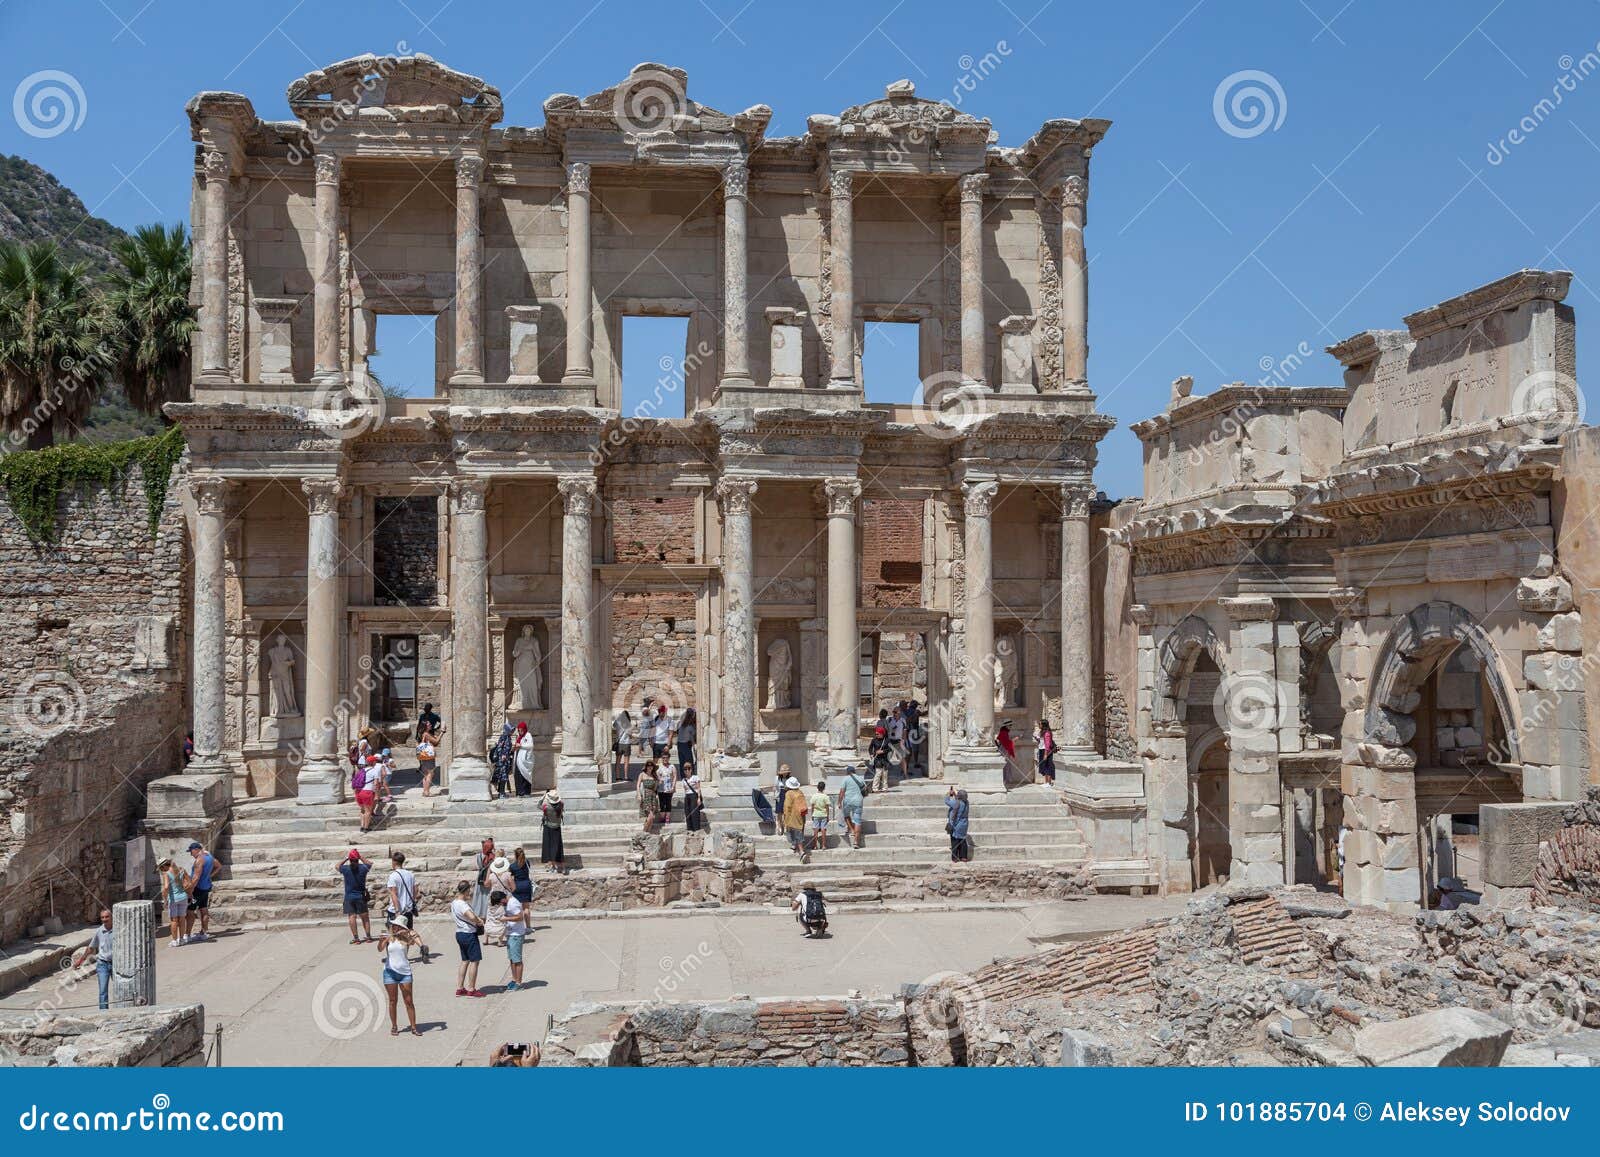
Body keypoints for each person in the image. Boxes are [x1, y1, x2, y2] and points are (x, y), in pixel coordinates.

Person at [378, 918, 422, 1035]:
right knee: (393, 1001)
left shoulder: (405, 938)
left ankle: (413, 1027)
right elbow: (380, 949)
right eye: (395, 925)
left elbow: (414, 940)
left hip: (405, 972)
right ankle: (394, 1026)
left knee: (409, 1001)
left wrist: (407, 933)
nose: (396, 927)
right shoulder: (388, 936)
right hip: (389, 972)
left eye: (399, 926)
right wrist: (383, 939)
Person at [385, 852, 426, 962]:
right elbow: (415, 891)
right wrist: (409, 902)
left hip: (396, 910)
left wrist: (397, 910)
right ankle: (414, 950)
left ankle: (394, 957)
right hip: (408, 909)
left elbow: (394, 894)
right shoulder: (410, 874)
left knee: (393, 933)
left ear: (394, 862)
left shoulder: (393, 876)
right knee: (408, 931)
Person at [450, 881, 486, 997]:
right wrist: (478, 921)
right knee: (475, 961)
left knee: (465, 960)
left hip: (459, 933)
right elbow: (470, 916)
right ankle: (471, 989)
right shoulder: (462, 904)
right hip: (469, 934)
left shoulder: (454, 903)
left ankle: (460, 988)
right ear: (465, 891)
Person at [75, 908, 115, 1009]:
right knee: (103, 991)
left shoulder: (119, 930)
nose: (105, 919)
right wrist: (80, 961)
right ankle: (103, 1013)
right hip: (103, 964)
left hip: (117, 964)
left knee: (121, 988)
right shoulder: (99, 931)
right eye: (102, 917)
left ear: (111, 917)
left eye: (107, 917)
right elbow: (91, 947)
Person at [338, 849, 374, 943]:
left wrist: (346, 858)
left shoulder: (345, 869)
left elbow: (337, 866)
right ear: (358, 859)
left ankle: (356, 938)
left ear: (350, 860)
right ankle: (368, 937)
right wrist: (360, 856)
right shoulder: (363, 868)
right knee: (365, 917)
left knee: (352, 917)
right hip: (360, 896)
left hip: (349, 897)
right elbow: (370, 863)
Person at [187, 840, 219, 940]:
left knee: (190, 911)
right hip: (206, 887)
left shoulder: (200, 860)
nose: (191, 854)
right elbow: (218, 866)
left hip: (198, 889)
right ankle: (204, 932)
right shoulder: (209, 857)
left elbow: (196, 877)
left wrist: (190, 891)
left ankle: (187, 934)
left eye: (191, 852)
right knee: (204, 909)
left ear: (196, 850)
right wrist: (209, 876)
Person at [498, 888, 529, 990]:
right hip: (510, 933)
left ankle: (519, 983)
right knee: (512, 959)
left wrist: (506, 918)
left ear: (503, 899)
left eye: (499, 903)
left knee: (517, 960)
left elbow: (520, 917)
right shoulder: (507, 903)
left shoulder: (513, 903)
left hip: (516, 934)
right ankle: (514, 980)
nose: (500, 905)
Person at [158, 857, 190, 947]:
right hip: (183, 897)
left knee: (174, 920)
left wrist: (165, 899)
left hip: (173, 899)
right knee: (182, 919)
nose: (161, 870)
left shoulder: (166, 873)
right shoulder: (181, 869)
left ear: (164, 866)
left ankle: (175, 941)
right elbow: (189, 882)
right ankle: (182, 939)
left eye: (160, 868)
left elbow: (166, 887)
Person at [837, 764, 869, 849]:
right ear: (854, 771)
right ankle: (856, 842)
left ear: (847, 772)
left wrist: (839, 802)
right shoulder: (860, 778)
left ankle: (852, 830)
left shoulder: (846, 779)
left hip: (848, 801)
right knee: (858, 821)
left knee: (846, 816)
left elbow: (842, 792)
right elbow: (865, 790)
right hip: (858, 801)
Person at [781, 774, 808, 858]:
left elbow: (787, 806)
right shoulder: (800, 792)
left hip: (792, 815)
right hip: (802, 815)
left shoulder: (789, 793)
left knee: (795, 831)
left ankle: (801, 851)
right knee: (799, 831)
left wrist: (785, 816)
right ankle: (794, 845)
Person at [540, 789, 565, 872]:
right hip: (557, 827)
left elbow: (538, 805)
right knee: (557, 846)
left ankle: (552, 865)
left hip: (548, 826)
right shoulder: (561, 805)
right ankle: (559, 865)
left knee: (548, 846)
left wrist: (543, 797)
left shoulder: (546, 806)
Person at [489, 720, 515, 799]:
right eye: (511, 730)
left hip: (506, 760)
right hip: (502, 761)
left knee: (504, 776)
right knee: (503, 777)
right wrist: (503, 755)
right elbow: (500, 747)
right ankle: (501, 793)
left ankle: (502, 792)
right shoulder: (503, 736)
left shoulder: (508, 737)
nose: (512, 731)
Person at [473, 839, 498, 920]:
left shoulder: (478, 856)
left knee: (479, 898)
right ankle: (487, 916)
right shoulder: (493, 857)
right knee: (487, 898)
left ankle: (479, 916)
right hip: (489, 879)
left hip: (480, 879)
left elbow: (478, 866)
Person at [946, 786, 971, 862]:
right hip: (964, 824)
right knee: (962, 840)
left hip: (956, 825)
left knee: (955, 841)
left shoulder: (955, 803)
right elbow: (959, 800)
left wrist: (948, 794)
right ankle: (963, 857)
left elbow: (946, 801)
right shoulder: (966, 802)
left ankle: (955, 858)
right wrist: (955, 795)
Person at [808, 779, 833, 855]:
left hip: (816, 814)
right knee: (823, 830)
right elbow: (827, 807)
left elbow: (812, 805)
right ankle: (824, 845)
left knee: (815, 830)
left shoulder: (814, 796)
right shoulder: (825, 796)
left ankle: (815, 845)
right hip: (824, 815)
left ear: (817, 787)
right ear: (824, 788)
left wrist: (812, 814)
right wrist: (828, 815)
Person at [353, 755, 377, 833]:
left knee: (362, 810)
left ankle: (362, 826)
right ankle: (366, 828)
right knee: (368, 811)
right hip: (367, 792)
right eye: (375, 761)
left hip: (358, 792)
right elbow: (376, 784)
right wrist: (376, 794)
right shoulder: (374, 771)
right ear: (373, 762)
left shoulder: (361, 770)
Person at [513, 720, 535, 797]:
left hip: (525, 761)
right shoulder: (519, 737)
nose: (520, 732)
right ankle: (519, 792)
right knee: (518, 776)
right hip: (518, 760)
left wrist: (521, 746)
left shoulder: (528, 735)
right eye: (519, 730)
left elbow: (530, 745)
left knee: (525, 776)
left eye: (521, 730)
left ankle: (526, 792)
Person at [612, 710, 634, 782]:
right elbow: (630, 736)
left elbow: (613, 725)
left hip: (619, 744)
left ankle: (618, 777)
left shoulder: (618, 723)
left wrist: (618, 717)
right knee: (626, 762)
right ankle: (626, 776)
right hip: (626, 744)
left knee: (618, 761)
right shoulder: (629, 725)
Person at [868, 726, 892, 792]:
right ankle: (875, 788)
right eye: (876, 734)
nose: (876, 735)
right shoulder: (874, 740)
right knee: (878, 774)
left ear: (882, 734)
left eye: (877, 734)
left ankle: (885, 788)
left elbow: (890, 748)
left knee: (885, 774)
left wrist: (883, 751)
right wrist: (871, 754)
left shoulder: (887, 740)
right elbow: (870, 748)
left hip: (885, 759)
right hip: (877, 759)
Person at [637, 761, 660, 832]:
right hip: (645, 796)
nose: (650, 767)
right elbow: (638, 785)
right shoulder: (642, 774)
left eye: (651, 766)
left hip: (653, 797)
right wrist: (638, 795)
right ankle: (644, 832)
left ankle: (648, 833)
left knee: (652, 817)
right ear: (646, 767)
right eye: (648, 765)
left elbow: (655, 789)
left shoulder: (654, 776)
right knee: (650, 816)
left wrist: (657, 782)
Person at [674, 706, 698, 773]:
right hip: (685, 745)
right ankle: (691, 775)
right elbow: (694, 736)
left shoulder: (680, 724)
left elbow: (677, 732)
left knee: (682, 762)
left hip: (679, 744)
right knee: (689, 761)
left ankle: (683, 776)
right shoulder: (690, 727)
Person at [1034, 718, 1057, 786]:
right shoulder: (1041, 732)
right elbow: (1041, 742)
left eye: (1040, 724)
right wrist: (1037, 738)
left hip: (1046, 751)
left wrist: (1045, 754)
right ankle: (1046, 782)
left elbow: (1047, 745)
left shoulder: (1047, 733)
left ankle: (1049, 782)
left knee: (1048, 766)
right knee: (1044, 766)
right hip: (1041, 750)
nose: (1039, 725)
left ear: (1043, 725)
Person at [417, 729, 438, 797]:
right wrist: (442, 733)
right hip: (429, 757)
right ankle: (427, 792)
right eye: (428, 724)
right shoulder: (426, 734)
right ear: (425, 726)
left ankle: (424, 791)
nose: (430, 725)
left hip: (423, 756)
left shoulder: (421, 733)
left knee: (425, 774)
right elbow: (436, 742)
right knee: (430, 774)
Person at [656, 756, 677, 826]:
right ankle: (662, 817)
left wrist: (673, 786)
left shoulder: (672, 766)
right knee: (662, 803)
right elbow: (656, 775)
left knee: (668, 802)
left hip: (669, 787)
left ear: (669, 758)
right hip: (661, 787)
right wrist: (659, 779)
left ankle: (667, 817)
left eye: (666, 758)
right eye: (663, 758)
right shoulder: (659, 766)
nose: (665, 759)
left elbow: (675, 776)